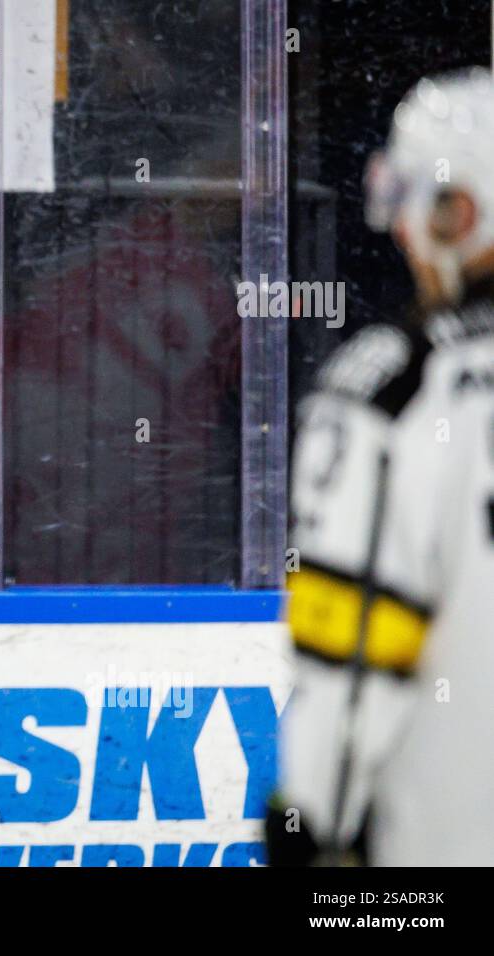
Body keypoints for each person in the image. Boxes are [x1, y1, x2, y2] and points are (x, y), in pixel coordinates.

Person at [270, 68, 494, 866]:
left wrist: (312, 816)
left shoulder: (392, 391)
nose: (400, 231)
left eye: (413, 204)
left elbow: (353, 658)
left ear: (458, 213)